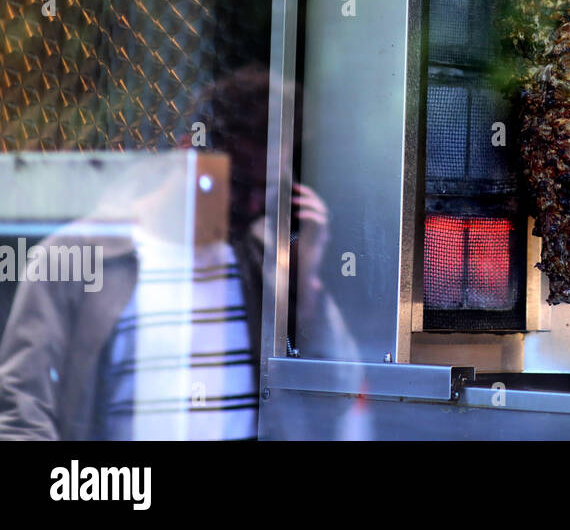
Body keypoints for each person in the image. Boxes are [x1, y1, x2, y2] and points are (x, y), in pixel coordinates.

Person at [0, 66, 357, 439]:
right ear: (189, 152)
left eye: (266, 187)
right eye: (237, 184)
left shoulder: (261, 259)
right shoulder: (77, 254)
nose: (252, 204)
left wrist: (306, 285)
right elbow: (21, 410)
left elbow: (342, 390)